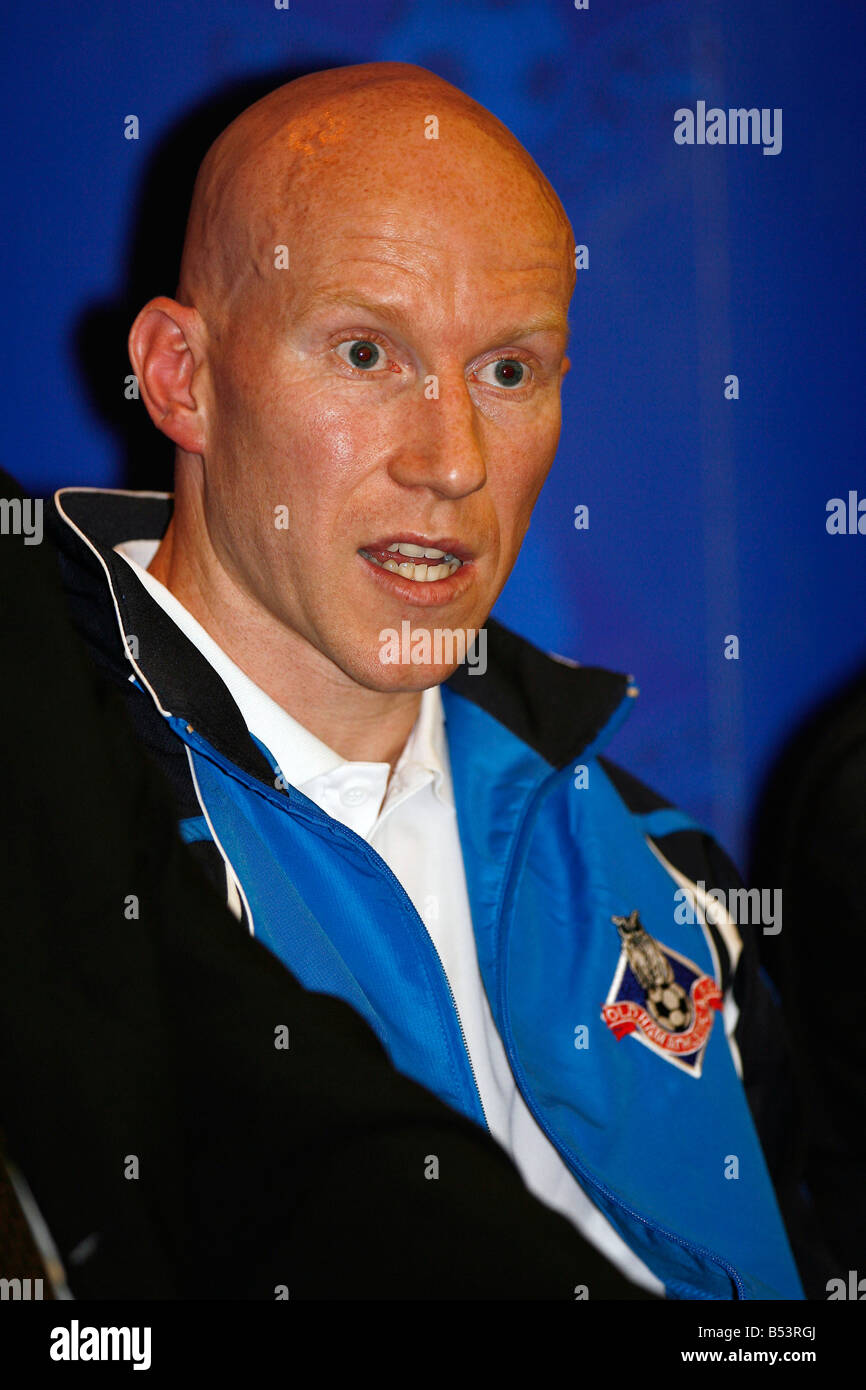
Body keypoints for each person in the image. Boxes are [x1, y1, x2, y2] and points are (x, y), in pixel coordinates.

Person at [45, 61, 826, 1298]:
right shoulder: (57, 829)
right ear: (181, 378)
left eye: (509, 371)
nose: (453, 462)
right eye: (366, 351)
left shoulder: (662, 867)